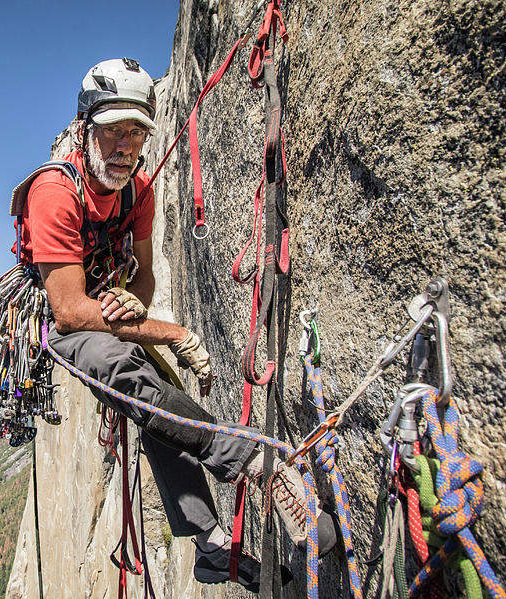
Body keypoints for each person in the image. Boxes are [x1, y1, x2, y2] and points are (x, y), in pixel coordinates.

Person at [19, 58, 337, 586]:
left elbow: (141, 280)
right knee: (119, 365)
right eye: (112, 132)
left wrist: (132, 301)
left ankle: (211, 545)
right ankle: (250, 461)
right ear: (84, 130)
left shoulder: (136, 190)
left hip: (108, 302)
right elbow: (72, 312)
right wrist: (171, 333)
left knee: (159, 402)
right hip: (66, 319)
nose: (126, 146)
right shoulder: (53, 193)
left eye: (137, 132)